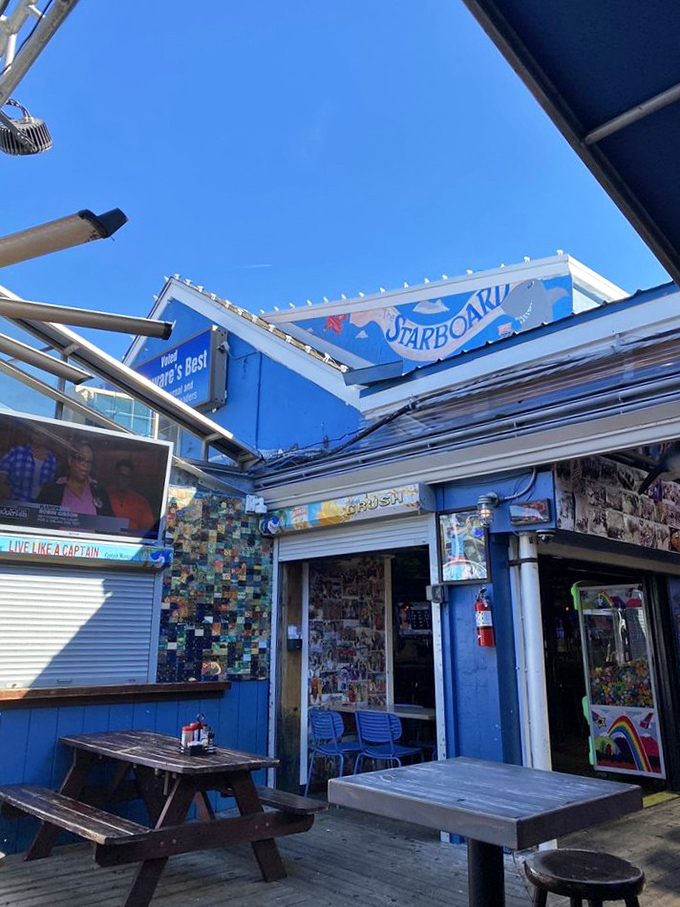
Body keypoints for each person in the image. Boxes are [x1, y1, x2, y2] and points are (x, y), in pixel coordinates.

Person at [37, 442, 112, 516]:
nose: (85, 464)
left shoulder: (99, 492)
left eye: (89, 461)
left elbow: (109, 522)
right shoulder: (52, 490)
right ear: (70, 461)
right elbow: (39, 518)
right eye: (81, 459)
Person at [0, 425, 57, 502]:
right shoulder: (17, 451)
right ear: (31, 434)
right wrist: (3, 488)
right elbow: (2, 470)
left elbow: (52, 484)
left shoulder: (51, 458)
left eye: (43, 434)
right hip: (15, 501)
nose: (39, 436)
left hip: (40, 505)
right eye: (37, 433)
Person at [106, 458, 155, 535]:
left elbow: (149, 532)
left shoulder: (141, 502)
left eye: (127, 477)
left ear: (132, 479)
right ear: (115, 476)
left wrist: (132, 534)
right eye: (121, 475)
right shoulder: (103, 495)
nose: (123, 480)